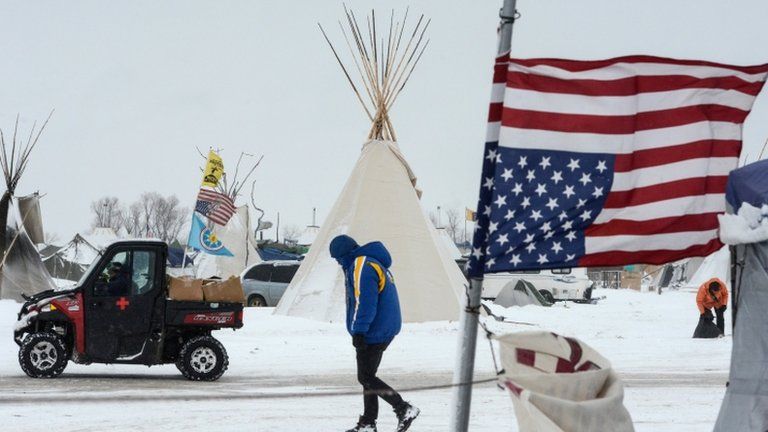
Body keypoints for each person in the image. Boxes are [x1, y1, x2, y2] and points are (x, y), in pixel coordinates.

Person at [329, 234, 420, 432]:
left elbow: (365, 301)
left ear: (344, 254)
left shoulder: (361, 265)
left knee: (366, 377)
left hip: (374, 330)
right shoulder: (372, 262)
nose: (337, 263)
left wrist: (359, 330)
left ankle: (403, 407)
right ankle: (369, 422)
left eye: (337, 258)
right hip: (383, 327)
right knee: (368, 376)